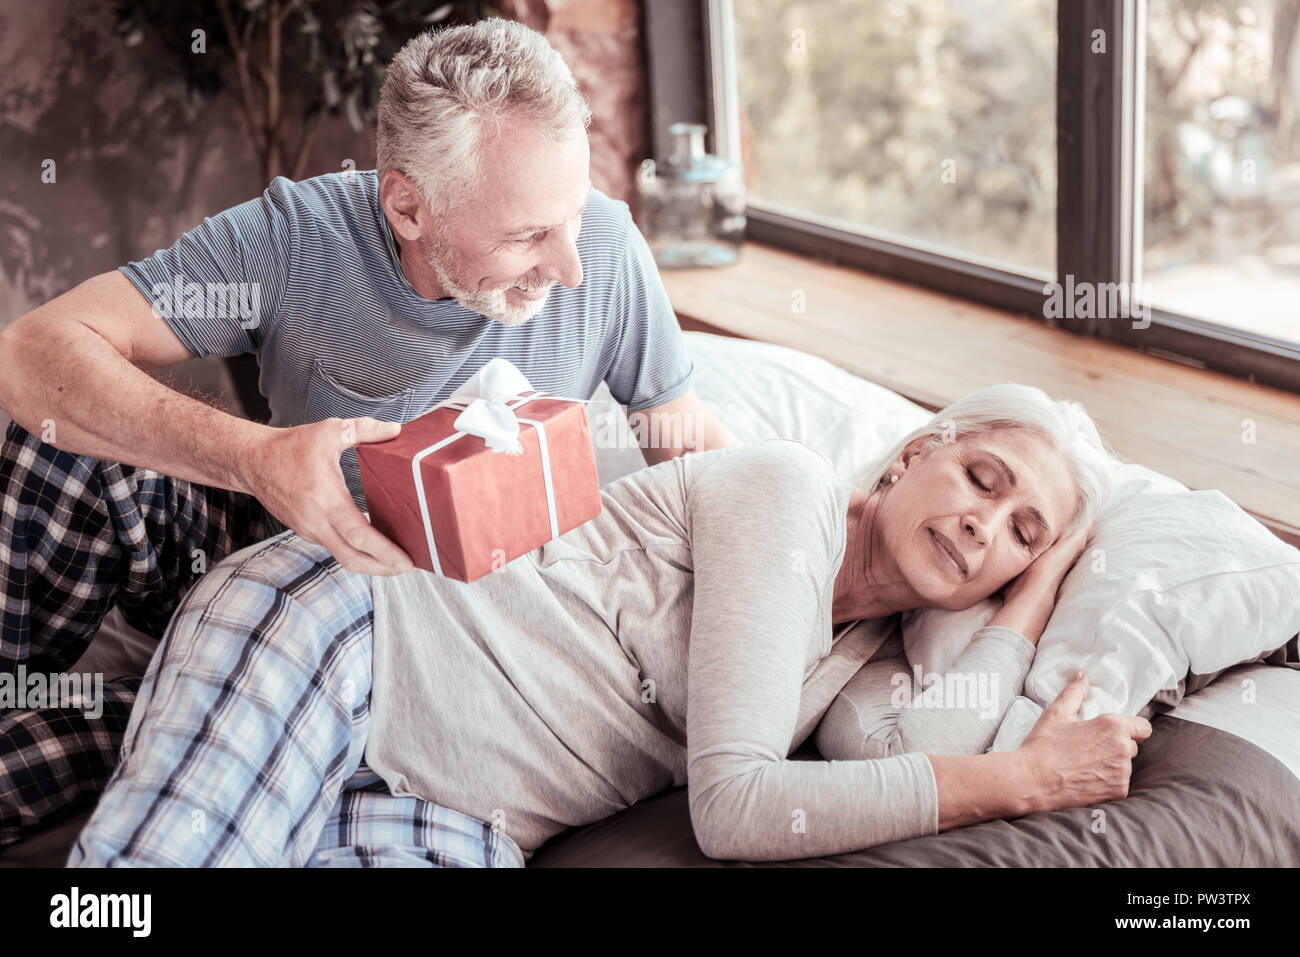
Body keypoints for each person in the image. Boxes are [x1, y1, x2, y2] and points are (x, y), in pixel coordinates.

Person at [0, 19, 731, 847]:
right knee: (59, 430)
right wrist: (256, 458)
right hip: (268, 565)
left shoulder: (604, 249)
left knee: (40, 764)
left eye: (573, 214)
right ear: (407, 205)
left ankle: (168, 714)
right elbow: (31, 353)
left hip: (435, 650)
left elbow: (695, 449)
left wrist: (808, 552)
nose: (569, 267)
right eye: (528, 234)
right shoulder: (292, 240)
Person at [69, 384, 1151, 867]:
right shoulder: (790, 491)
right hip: (362, 636)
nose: (982, 523)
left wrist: (1040, 586)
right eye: (980, 477)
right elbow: (735, 808)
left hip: (473, 823)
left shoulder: (865, 666)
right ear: (914, 453)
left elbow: (907, 769)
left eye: (1019, 529)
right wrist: (1024, 782)